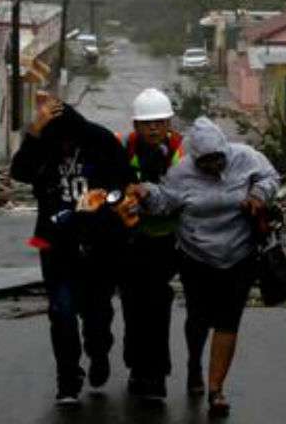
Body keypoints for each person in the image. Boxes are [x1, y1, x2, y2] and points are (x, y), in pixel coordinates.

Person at [130, 117, 278, 418]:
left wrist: (258, 195)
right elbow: (164, 203)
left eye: (217, 159)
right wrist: (145, 193)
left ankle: (216, 389)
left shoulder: (247, 158)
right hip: (196, 256)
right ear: (195, 158)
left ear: (226, 150)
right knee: (198, 317)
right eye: (206, 162)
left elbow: (270, 177)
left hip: (240, 253)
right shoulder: (181, 173)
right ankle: (194, 362)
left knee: (228, 320)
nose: (213, 166)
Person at [10, 93, 131, 408]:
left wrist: (104, 202)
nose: (63, 145)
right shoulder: (43, 147)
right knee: (61, 311)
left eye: (66, 139)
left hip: (100, 244)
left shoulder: (100, 142)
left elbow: (124, 183)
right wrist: (34, 132)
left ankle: (99, 351)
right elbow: (20, 172)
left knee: (97, 312)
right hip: (55, 243)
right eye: (55, 138)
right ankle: (68, 379)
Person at [117, 88, 184, 401]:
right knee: (132, 305)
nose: (154, 128)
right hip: (130, 242)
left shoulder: (181, 152)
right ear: (135, 126)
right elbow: (107, 189)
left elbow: (185, 196)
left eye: (159, 122)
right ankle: (136, 366)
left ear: (169, 121)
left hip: (166, 242)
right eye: (147, 123)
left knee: (157, 305)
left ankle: (157, 374)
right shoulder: (124, 148)